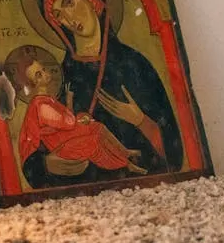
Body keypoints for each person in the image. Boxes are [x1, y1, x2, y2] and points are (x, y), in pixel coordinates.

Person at [36, 0, 184, 175]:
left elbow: (175, 157)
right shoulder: (61, 75)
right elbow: (41, 140)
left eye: (69, 2)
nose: (68, 18)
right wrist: (45, 164)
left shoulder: (134, 64)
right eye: (58, 15)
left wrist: (140, 121)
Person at [13, 53, 148, 189]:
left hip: (64, 138)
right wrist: (73, 110)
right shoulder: (41, 106)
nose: (45, 73)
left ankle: (124, 152)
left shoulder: (48, 100)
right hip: (60, 146)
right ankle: (125, 165)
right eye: (38, 74)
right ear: (32, 83)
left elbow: (66, 121)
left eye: (43, 69)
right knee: (93, 141)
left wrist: (73, 108)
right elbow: (68, 122)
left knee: (97, 127)